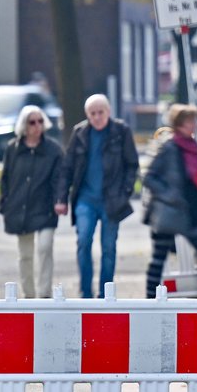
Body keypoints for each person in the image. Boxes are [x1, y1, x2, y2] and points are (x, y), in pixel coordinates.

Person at [64, 94, 138, 299]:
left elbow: (132, 164)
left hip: (112, 200)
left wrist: (125, 192)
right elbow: (68, 167)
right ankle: (86, 293)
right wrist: (62, 197)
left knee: (108, 247)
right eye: (92, 113)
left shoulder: (121, 131)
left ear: (108, 111)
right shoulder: (79, 133)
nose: (97, 117)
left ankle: (106, 293)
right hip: (85, 199)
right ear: (87, 115)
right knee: (83, 241)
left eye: (100, 112)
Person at [143, 104, 197, 298]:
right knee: (159, 256)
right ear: (180, 124)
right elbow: (149, 177)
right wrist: (169, 195)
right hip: (169, 211)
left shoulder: (191, 146)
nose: (195, 124)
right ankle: (149, 297)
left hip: (189, 210)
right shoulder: (169, 147)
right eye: (191, 121)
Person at [0, 106, 68, 298]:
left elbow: (60, 179)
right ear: (24, 125)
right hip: (20, 208)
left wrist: (60, 200)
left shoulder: (53, 150)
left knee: (45, 247)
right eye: (32, 122)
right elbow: (6, 178)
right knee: (25, 254)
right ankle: (28, 295)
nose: (37, 126)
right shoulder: (13, 149)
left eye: (40, 121)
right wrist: (5, 203)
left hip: (45, 208)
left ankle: (44, 294)